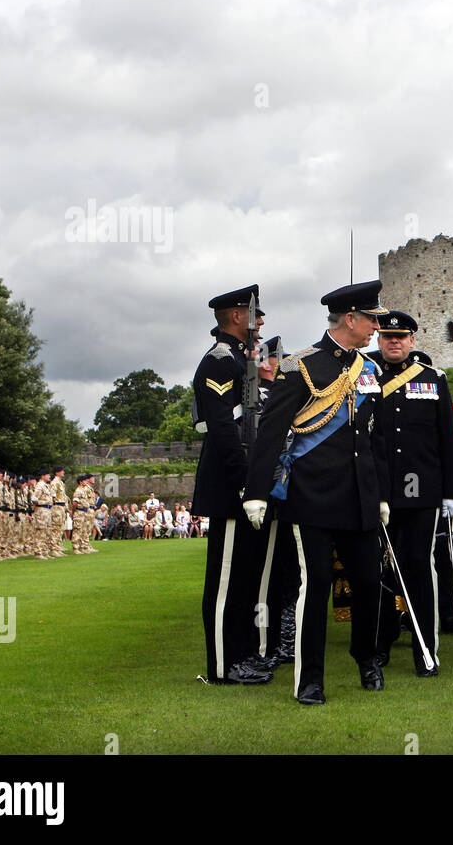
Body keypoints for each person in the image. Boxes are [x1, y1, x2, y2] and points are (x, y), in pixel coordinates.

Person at [242, 280, 391, 704]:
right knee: (316, 585)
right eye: (371, 320)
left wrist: (379, 493)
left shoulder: (369, 369)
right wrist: (256, 491)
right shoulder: (300, 366)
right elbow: (271, 431)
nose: (376, 329)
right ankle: (310, 679)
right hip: (314, 494)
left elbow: (374, 438)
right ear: (350, 319)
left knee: (367, 580)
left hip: (360, 493)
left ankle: (366, 658)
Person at [371, 310, 453, 677]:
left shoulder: (433, 379)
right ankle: (378, 647)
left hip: (422, 492)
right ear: (379, 340)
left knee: (421, 569)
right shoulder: (365, 378)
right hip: (378, 491)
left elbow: (446, 439)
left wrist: (451, 491)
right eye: (388, 336)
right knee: (380, 574)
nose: (394, 341)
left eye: (401, 337)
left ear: (412, 341)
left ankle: (426, 651)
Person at [192, 283, 274, 687]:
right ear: (238, 316)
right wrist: (245, 481)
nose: (259, 323)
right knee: (226, 582)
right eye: (255, 314)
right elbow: (225, 431)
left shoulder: (245, 360)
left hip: (247, 485)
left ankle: (242, 655)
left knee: (244, 578)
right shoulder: (219, 362)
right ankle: (224, 665)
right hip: (230, 489)